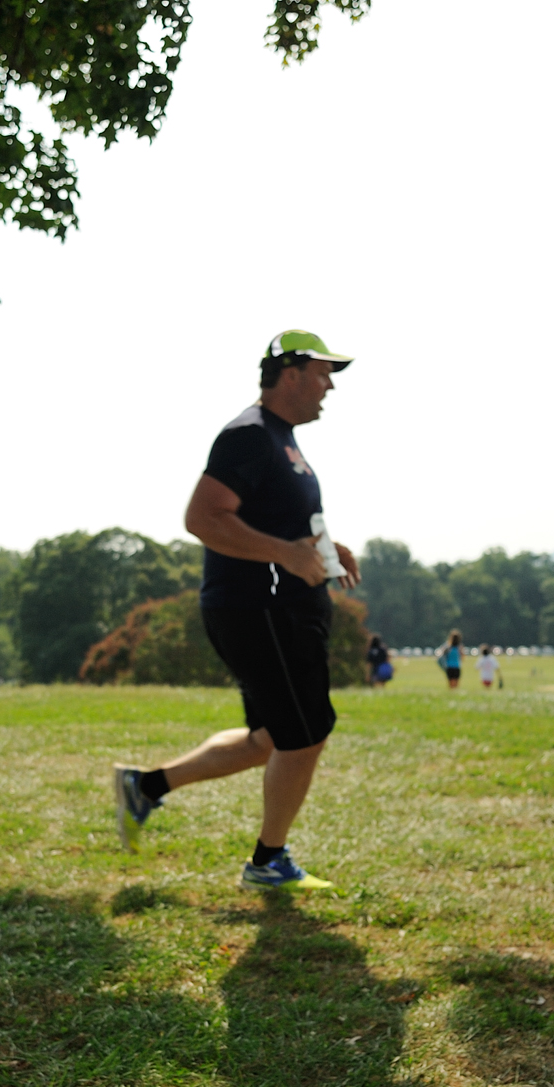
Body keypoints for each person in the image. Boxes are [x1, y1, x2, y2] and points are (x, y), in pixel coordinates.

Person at [109, 331, 360, 888]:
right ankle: (267, 863)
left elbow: (277, 522)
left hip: (275, 606)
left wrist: (324, 549)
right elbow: (203, 518)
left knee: (271, 738)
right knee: (306, 733)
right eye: (323, 373)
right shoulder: (248, 436)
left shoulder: (281, 440)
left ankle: (144, 788)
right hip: (261, 608)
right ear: (290, 373)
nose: (330, 386)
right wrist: (286, 555)